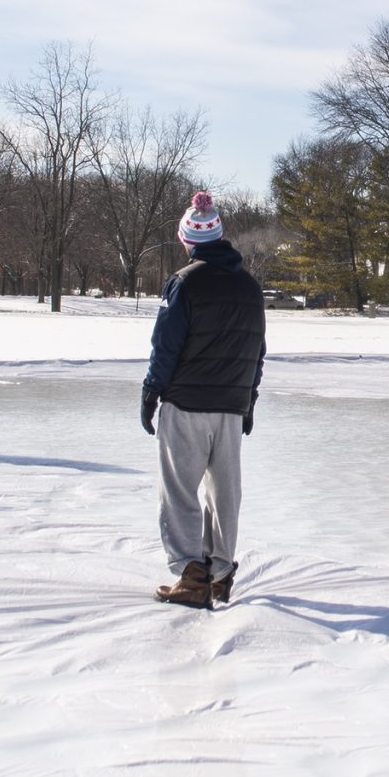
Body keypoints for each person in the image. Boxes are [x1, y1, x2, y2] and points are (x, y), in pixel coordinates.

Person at [141, 192, 265, 610]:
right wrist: (248, 399)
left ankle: (193, 576)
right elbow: (257, 350)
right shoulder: (250, 288)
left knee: (179, 490)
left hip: (187, 403)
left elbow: (165, 345)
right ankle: (221, 573)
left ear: (187, 240)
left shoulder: (184, 282)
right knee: (224, 492)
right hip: (231, 406)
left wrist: (151, 391)